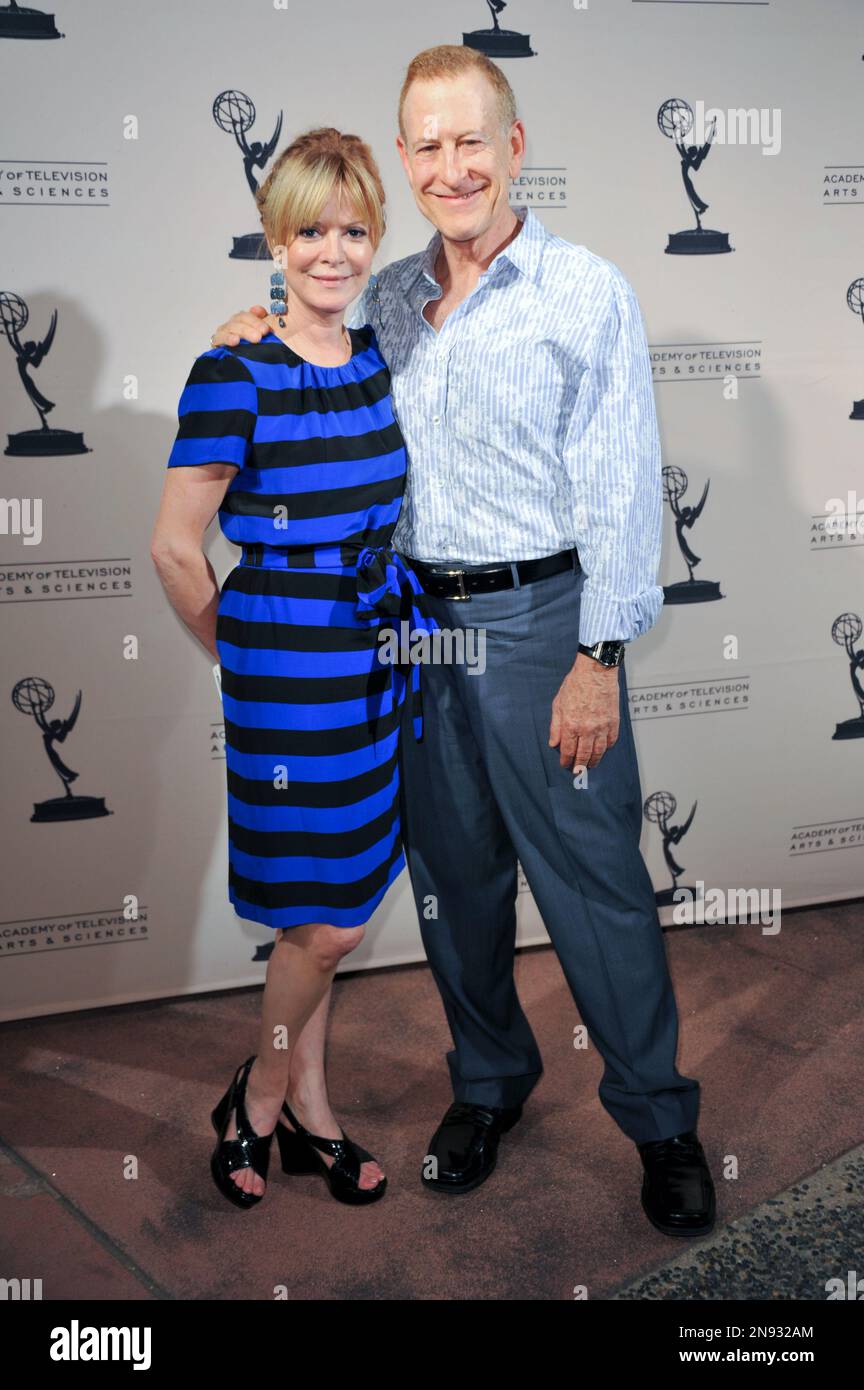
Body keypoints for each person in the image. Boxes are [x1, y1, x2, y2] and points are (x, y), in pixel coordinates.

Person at [211, 45, 716, 1237]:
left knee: (596, 888)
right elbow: (306, 377)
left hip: (547, 625)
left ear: (515, 146)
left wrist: (600, 657)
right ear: (405, 160)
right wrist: (253, 325)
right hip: (414, 629)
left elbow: (624, 490)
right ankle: (489, 1085)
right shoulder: (380, 296)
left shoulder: (584, 289)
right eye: (426, 145)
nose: (451, 166)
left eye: (470, 140)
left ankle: (662, 1119)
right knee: (454, 886)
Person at [151, 127, 436, 1210]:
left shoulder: (374, 357)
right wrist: (251, 652)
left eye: (354, 229)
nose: (334, 250)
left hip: (371, 657)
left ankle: (306, 1100)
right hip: (286, 672)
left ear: (374, 237)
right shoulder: (233, 369)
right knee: (325, 922)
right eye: (311, 228)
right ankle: (260, 1097)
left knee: (332, 909)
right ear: (276, 233)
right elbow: (177, 546)